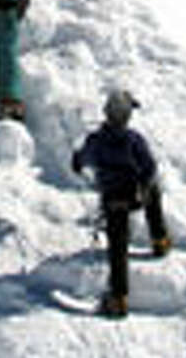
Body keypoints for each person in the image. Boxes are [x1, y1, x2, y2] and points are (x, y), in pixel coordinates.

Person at [71, 89, 172, 317]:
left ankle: (118, 298)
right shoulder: (134, 140)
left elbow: (81, 159)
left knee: (118, 246)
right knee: (153, 194)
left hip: (112, 199)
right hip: (134, 196)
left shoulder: (95, 140)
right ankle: (159, 239)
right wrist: (144, 186)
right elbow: (149, 168)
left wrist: (77, 161)